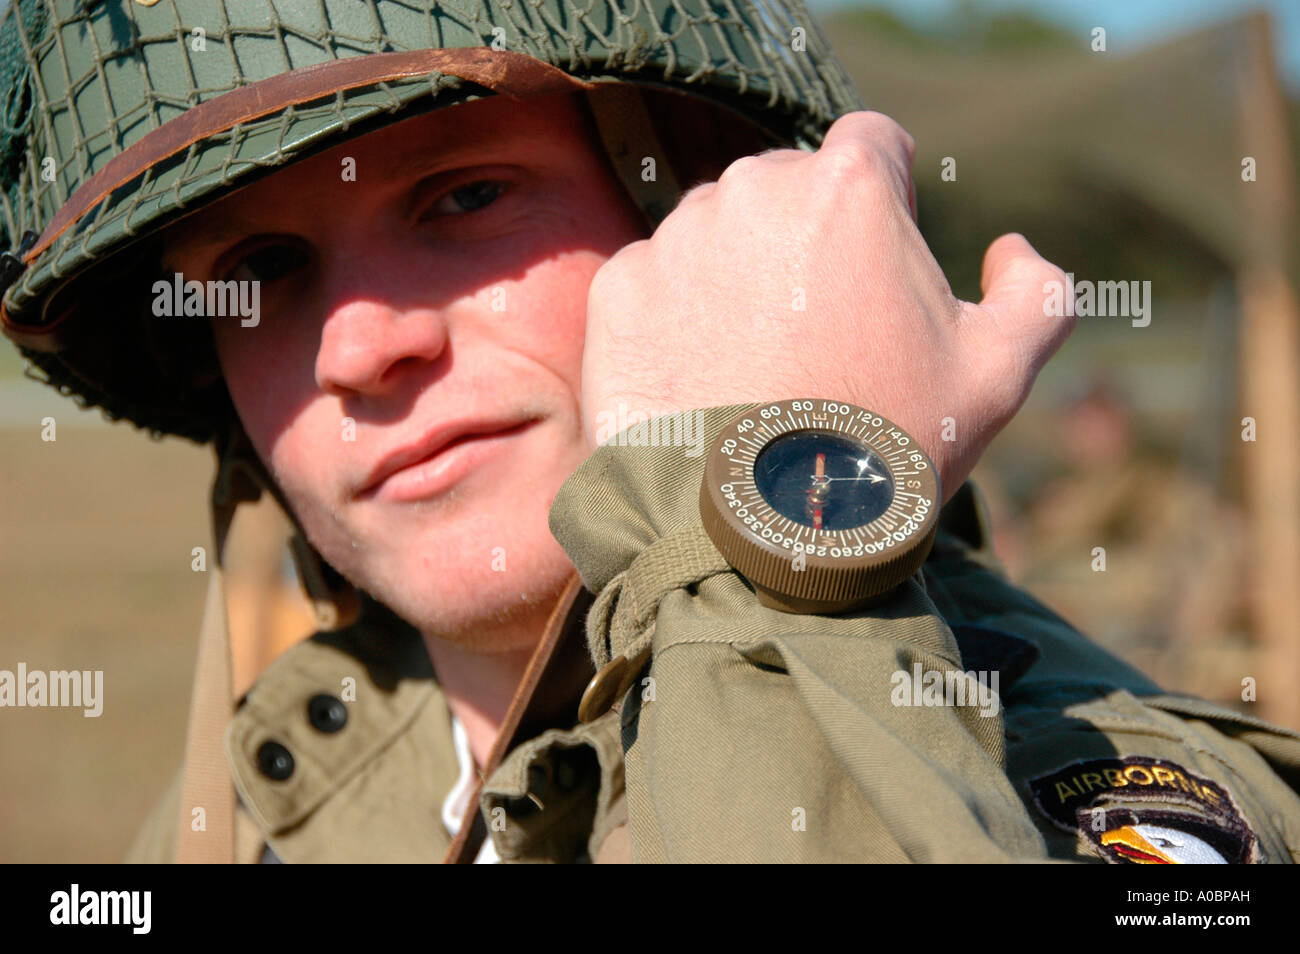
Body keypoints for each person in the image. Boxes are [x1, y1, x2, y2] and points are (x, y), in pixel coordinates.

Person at [2, 0, 1298, 864]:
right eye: (269, 268)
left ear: (700, 214)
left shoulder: (1108, 776)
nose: (355, 345)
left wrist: (779, 558)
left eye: (463, 194)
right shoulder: (272, 788)